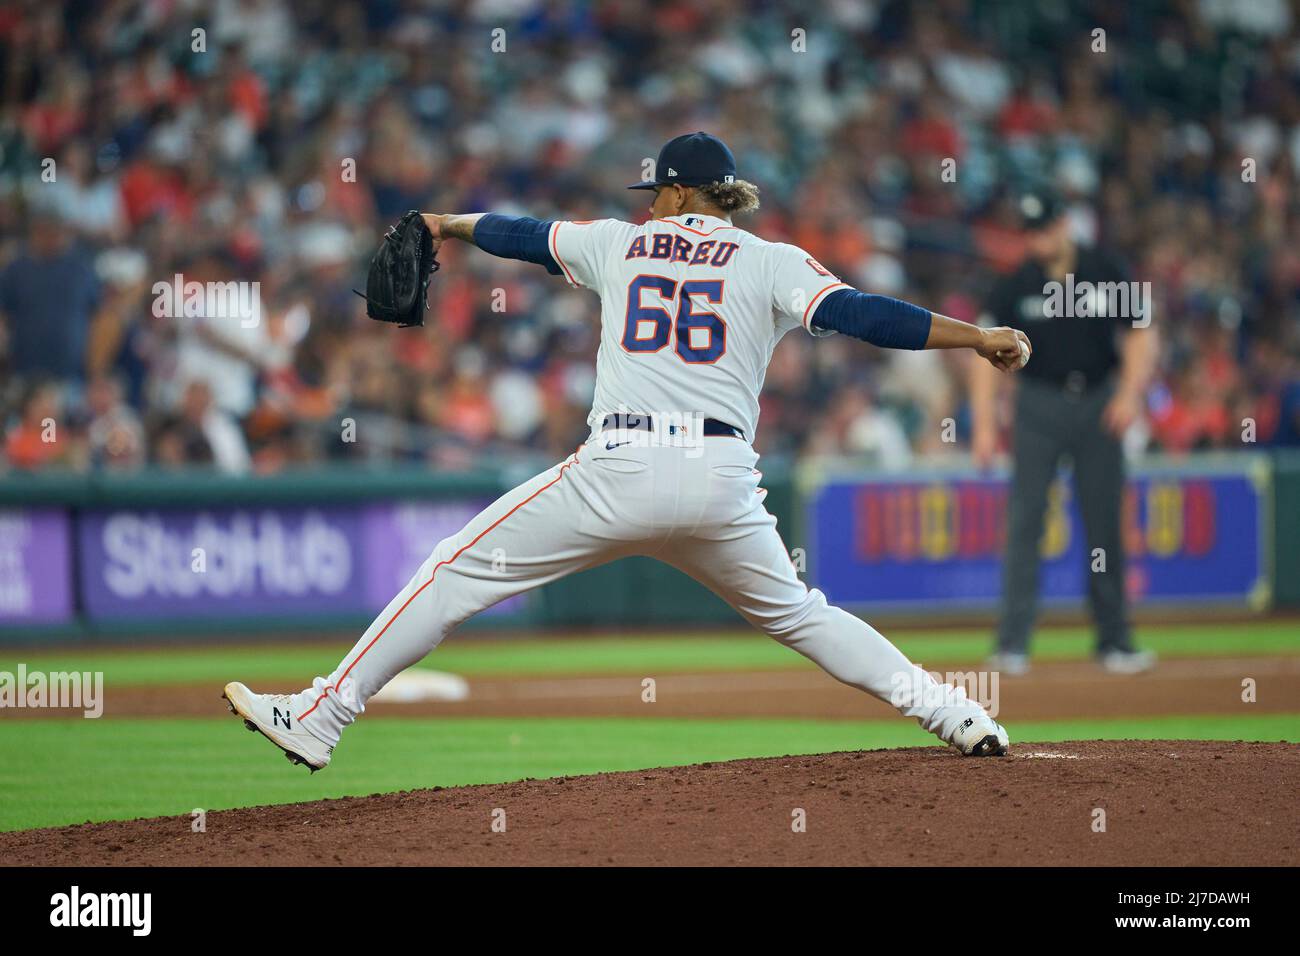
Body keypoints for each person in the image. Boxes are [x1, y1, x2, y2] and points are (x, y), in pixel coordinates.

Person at [223, 132, 1032, 770]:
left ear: (679, 191)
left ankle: (323, 716)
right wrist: (976, 338)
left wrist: (443, 224)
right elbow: (865, 314)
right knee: (804, 617)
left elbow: (523, 236)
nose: (650, 206)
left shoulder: (619, 244)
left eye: (659, 192)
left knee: (454, 571)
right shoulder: (771, 259)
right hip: (722, 484)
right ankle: (957, 713)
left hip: (619, 470)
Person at [971, 192, 1158, 676]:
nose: (1038, 238)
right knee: (1025, 521)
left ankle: (1114, 639)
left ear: (1064, 224)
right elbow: (986, 353)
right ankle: (1013, 643)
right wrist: (986, 426)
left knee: (1104, 523)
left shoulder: (1104, 269)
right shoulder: (1016, 283)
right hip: (1036, 404)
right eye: (1031, 230)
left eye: (1045, 227)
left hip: (1099, 401)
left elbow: (1140, 331)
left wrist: (1130, 395)